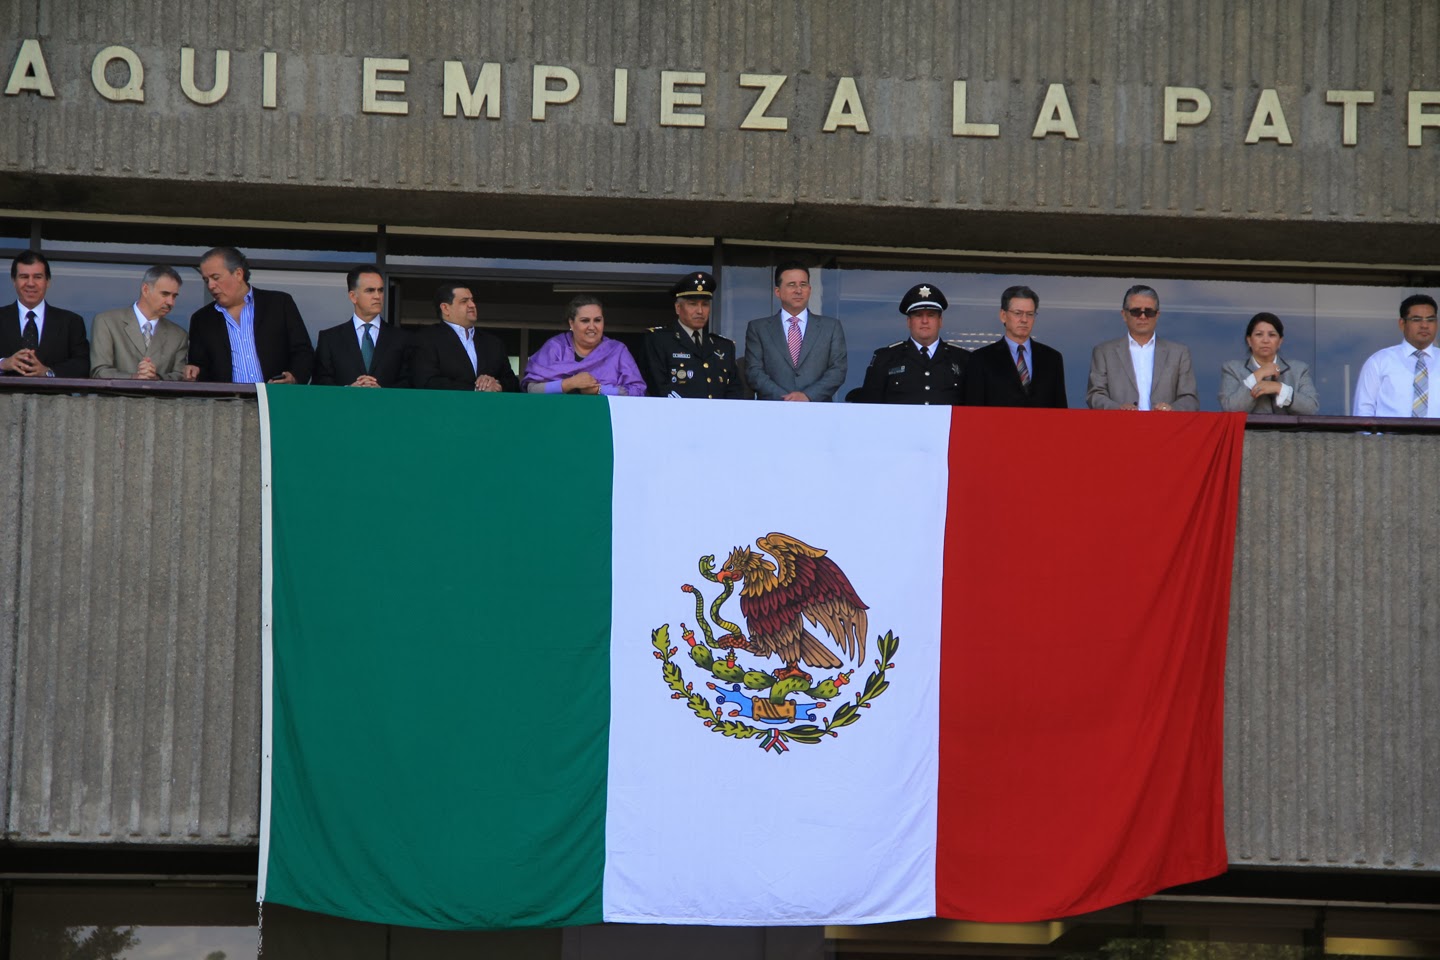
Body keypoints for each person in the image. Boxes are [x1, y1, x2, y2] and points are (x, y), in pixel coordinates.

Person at [187, 246, 314, 384]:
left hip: (276, 398)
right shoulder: (202, 319)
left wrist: (294, 377)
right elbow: (199, 367)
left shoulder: (279, 304)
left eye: (215, 277)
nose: (211, 285)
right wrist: (194, 372)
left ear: (238, 274)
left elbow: (303, 352)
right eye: (206, 280)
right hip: (227, 402)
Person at [743, 261, 847, 402]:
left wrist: (807, 396)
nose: (798, 290)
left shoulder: (831, 327)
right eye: (791, 285)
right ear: (778, 292)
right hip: (773, 411)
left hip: (818, 411)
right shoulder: (758, 328)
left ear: (809, 289)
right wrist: (787, 399)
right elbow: (754, 372)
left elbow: (838, 370)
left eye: (803, 285)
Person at [1086, 284, 1198, 411]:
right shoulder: (1104, 352)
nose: (1143, 316)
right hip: (1119, 427)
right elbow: (1095, 395)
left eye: (1149, 312)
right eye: (1136, 311)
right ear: (1124, 315)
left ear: (1157, 315)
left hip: (1166, 428)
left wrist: (1171, 409)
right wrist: (1118, 409)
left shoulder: (1178, 353)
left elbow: (1190, 399)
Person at [855, 283, 968, 404]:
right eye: (918, 315)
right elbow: (870, 407)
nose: (925, 321)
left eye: (931, 315)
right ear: (909, 321)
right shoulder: (885, 358)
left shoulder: (963, 359)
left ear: (940, 321)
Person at [638, 271, 744, 399]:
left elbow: (734, 390)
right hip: (675, 415)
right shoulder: (658, 340)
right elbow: (657, 387)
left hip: (717, 417)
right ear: (678, 308)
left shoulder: (724, 346)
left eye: (705, 304)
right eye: (693, 304)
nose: (700, 311)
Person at [963, 285, 1067, 408]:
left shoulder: (1052, 358)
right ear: (1003, 315)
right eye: (1018, 313)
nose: (1024, 319)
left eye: (1030, 314)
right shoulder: (981, 358)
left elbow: (1060, 410)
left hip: (1042, 427)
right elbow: (974, 410)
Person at [522, 295, 646, 396]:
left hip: (604, 419)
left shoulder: (617, 351)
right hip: (558, 417)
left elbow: (638, 391)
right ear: (572, 323)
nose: (592, 327)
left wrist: (599, 390)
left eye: (597, 320)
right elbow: (532, 389)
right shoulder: (556, 347)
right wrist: (570, 383)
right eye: (585, 321)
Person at [89, 265, 193, 381]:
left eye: (174, 296)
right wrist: (135, 378)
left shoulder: (179, 335)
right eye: (165, 294)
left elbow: (179, 377)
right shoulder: (107, 322)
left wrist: (156, 378)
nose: (170, 302)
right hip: (115, 398)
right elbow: (99, 371)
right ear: (145, 290)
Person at [409, 283, 520, 392]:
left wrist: (497, 385)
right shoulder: (426, 339)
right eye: (464, 301)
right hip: (446, 408)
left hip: (489, 409)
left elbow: (512, 382)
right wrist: (476, 389)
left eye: (472, 300)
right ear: (445, 308)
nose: (472, 305)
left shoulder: (493, 342)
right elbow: (426, 382)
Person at [313, 265, 408, 387]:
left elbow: (409, 382)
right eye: (370, 290)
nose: (377, 296)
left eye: (380, 290)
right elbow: (320, 382)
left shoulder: (402, 338)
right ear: (353, 296)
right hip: (344, 405)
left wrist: (383, 393)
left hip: (387, 406)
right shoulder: (329, 339)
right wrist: (348, 391)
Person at [0, 249, 89, 378]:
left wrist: (47, 372)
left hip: (54, 397)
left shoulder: (71, 322)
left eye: (37, 277)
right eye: (24, 277)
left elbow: (83, 365)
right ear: (14, 281)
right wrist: (4, 363)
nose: (30, 283)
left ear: (47, 281)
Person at [1352, 294, 1440, 417]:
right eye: (1416, 319)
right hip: (1390, 436)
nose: (1424, 325)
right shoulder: (1379, 361)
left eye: (1430, 320)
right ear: (1402, 324)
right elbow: (1363, 412)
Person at [1218, 312, 1319, 414]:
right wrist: (1258, 374)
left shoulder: (1299, 369)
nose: (1265, 340)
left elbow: (1311, 408)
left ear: (1280, 341)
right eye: (1259, 334)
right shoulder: (1232, 368)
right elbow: (1230, 409)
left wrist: (1279, 388)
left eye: (1272, 335)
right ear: (1249, 340)